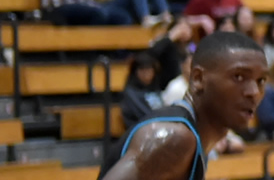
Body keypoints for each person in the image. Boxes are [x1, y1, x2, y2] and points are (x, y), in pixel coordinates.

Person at [97, 31, 265, 180]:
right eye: (239, 77)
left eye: (261, 81)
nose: (254, 92)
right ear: (199, 79)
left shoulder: (193, 137)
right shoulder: (173, 138)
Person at [123, 53, 168, 128]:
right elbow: (143, 114)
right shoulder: (130, 92)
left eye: (149, 70)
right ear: (135, 72)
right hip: (139, 130)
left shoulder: (155, 88)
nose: (146, 74)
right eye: (142, 70)